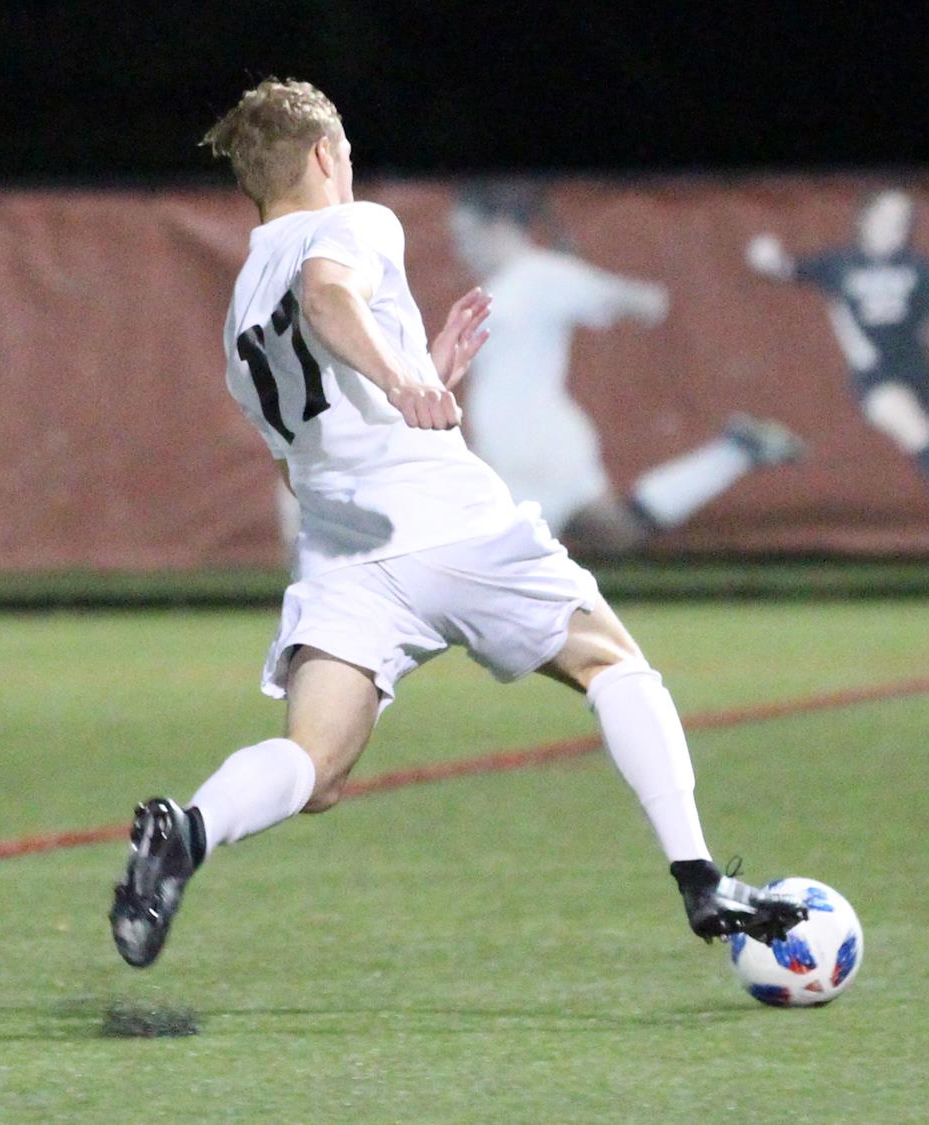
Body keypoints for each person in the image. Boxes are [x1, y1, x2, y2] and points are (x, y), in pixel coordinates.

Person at [110, 80, 805, 969]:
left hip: (345, 556)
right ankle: (700, 876)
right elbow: (331, 297)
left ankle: (188, 831)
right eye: (347, 152)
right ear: (325, 156)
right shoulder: (358, 225)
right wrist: (408, 381)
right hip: (451, 525)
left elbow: (305, 445)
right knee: (611, 662)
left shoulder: (243, 307)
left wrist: (416, 366)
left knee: (312, 767)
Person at [450, 182, 803, 555]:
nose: (461, 249)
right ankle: (734, 451)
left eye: (466, 236)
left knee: (492, 558)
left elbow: (642, 301)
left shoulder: (541, 276)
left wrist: (606, 290)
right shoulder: (517, 282)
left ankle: (735, 451)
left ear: (500, 228)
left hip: (532, 445)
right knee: (615, 531)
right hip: (531, 442)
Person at [746, 189, 929, 530]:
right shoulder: (840, 264)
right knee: (918, 432)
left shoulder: (919, 268)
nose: (899, 226)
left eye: (905, 219)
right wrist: (768, 260)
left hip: (920, 372)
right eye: (889, 216)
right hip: (875, 375)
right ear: (866, 218)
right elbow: (790, 269)